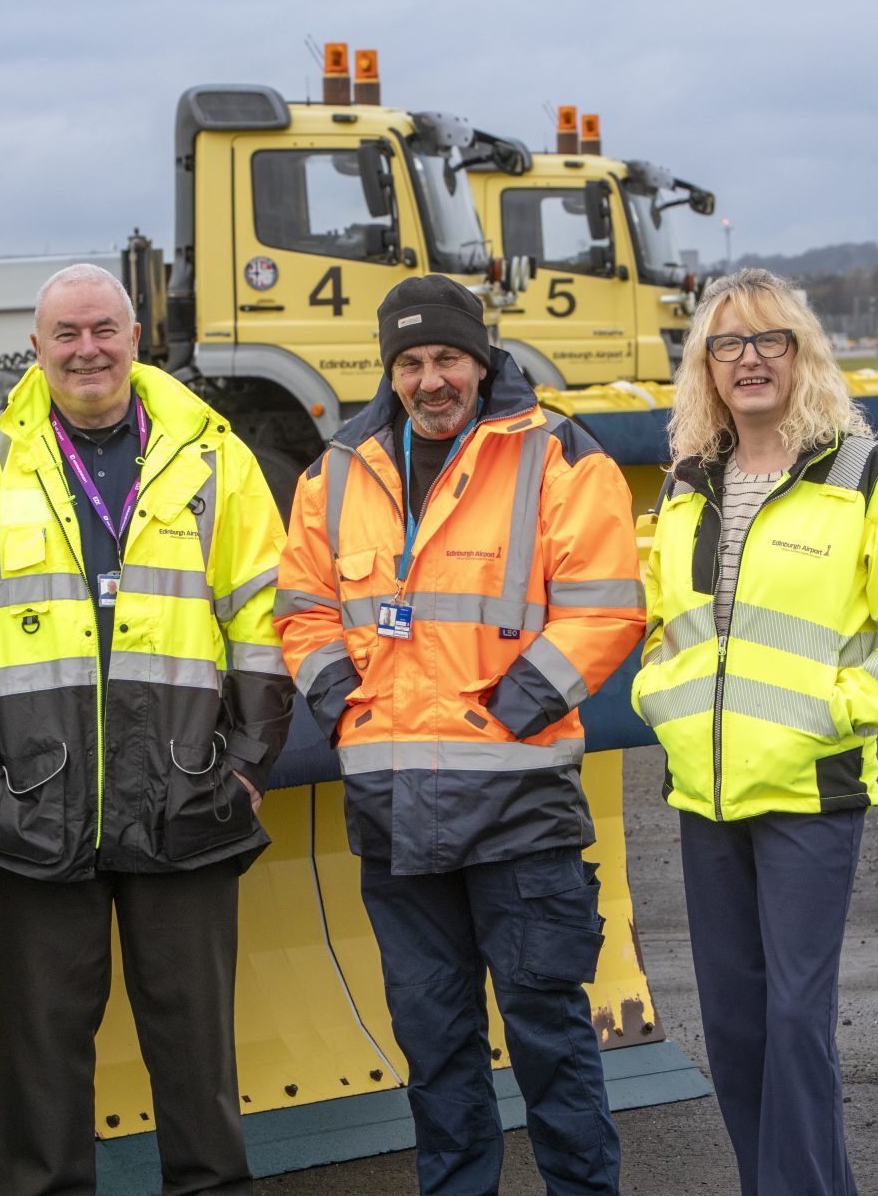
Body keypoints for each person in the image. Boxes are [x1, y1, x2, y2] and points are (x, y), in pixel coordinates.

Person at [0, 263, 292, 1196]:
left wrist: (242, 770)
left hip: (188, 802)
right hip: (38, 810)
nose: (88, 349)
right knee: (40, 1073)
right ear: (36, 350)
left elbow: (268, 620)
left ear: (135, 337)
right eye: (66, 334)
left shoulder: (214, 457)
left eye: (104, 329)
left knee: (200, 1064)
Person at [275, 274, 646, 1196]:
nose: (430, 379)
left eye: (447, 358)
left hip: (518, 808)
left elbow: (607, 608)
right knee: (433, 1046)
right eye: (410, 362)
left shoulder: (557, 456)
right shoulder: (336, 470)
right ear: (389, 371)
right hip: (394, 816)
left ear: (480, 360)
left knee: (549, 1035)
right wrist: (347, 709)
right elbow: (303, 611)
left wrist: (508, 709)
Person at [632, 268, 878, 1196]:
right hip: (708, 791)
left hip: (811, 789)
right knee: (735, 1029)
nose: (748, 360)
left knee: (795, 1020)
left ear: (802, 353)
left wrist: (833, 712)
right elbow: (664, 622)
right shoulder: (689, 483)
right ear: (706, 367)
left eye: (769, 340)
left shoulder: (867, 476)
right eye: (727, 345)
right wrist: (665, 697)